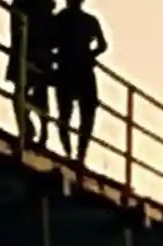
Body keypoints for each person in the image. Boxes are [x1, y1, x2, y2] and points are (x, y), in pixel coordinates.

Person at [52, 0, 107, 164]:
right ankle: (79, 154)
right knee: (86, 113)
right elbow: (103, 45)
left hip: (66, 69)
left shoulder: (60, 18)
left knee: (66, 112)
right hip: (83, 69)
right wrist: (90, 54)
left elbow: (50, 42)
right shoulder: (89, 20)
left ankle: (70, 152)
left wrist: (57, 56)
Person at [6, 0, 56, 147]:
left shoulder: (28, 5)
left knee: (25, 93)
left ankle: (31, 130)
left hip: (30, 51)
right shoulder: (42, 7)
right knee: (31, 94)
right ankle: (31, 130)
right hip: (34, 52)